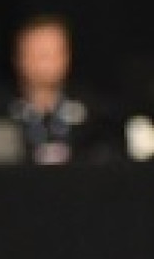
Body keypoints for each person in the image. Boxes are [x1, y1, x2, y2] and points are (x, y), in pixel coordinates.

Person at [7, 13, 95, 164]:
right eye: (38, 54)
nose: (45, 63)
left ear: (67, 56)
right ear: (19, 58)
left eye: (52, 53)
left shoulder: (94, 116)